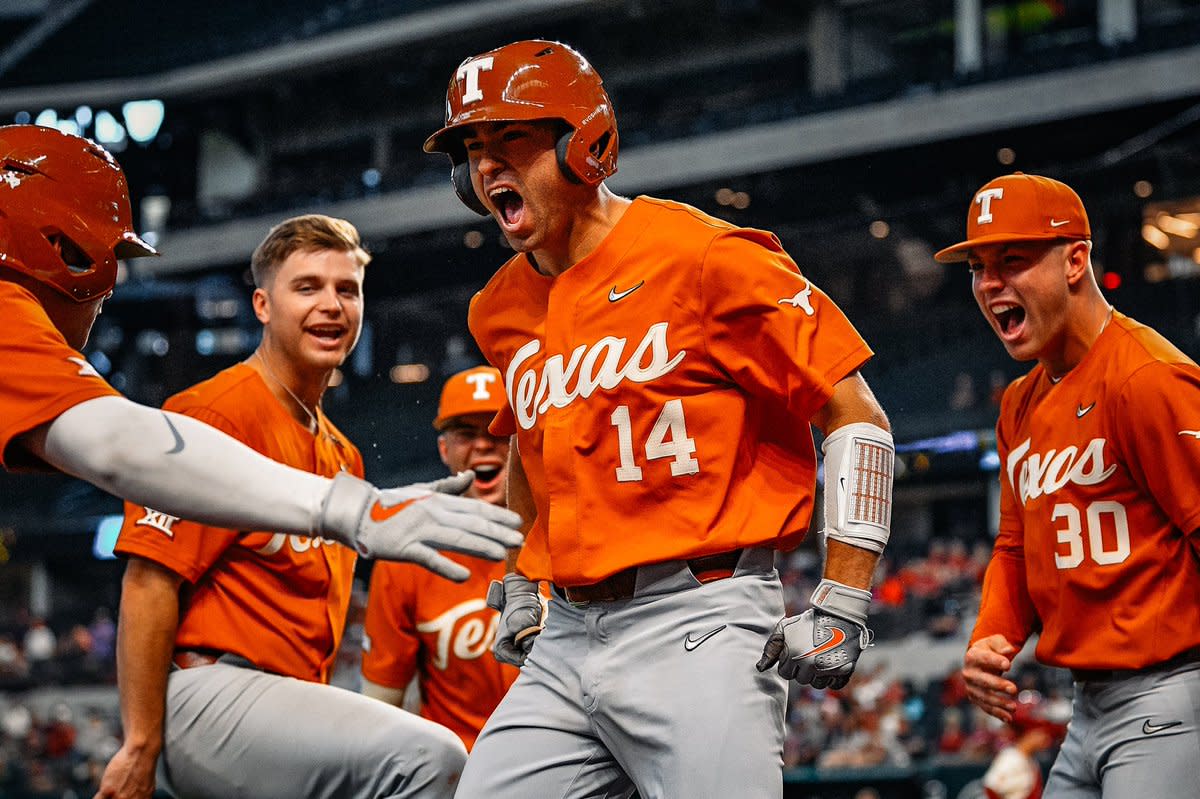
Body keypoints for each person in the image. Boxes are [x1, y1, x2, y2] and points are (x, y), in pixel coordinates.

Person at [423, 40, 895, 798]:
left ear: (586, 144)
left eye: (512, 138)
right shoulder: (498, 306)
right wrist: (518, 574)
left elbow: (856, 415)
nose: (486, 167)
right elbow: (528, 446)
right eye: (472, 149)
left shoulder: (705, 256)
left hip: (699, 619)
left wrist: (844, 593)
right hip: (567, 637)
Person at [0, 124, 523, 575]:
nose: (109, 292)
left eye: (346, 290)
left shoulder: (343, 450)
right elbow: (115, 444)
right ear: (64, 249)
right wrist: (346, 508)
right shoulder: (7, 308)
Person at [96, 215, 472, 799]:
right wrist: (139, 744)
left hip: (284, 707)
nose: (331, 304)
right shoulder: (214, 414)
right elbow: (148, 582)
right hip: (205, 693)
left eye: (347, 289)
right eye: (307, 287)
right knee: (431, 756)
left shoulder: (343, 456)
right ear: (263, 306)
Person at [940, 172, 1200, 797]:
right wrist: (990, 639)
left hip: (1171, 693)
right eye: (978, 266)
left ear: (1076, 260)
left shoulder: (1148, 378)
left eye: (1013, 260)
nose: (990, 284)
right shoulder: (1018, 404)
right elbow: (1014, 547)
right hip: (1085, 712)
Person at [362, 366, 529, 749]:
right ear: (444, 450)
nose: (483, 446)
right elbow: (380, 706)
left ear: (523, 440)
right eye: (466, 435)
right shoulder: (406, 555)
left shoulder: (566, 536)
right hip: (457, 773)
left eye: (498, 432)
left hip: (564, 771)